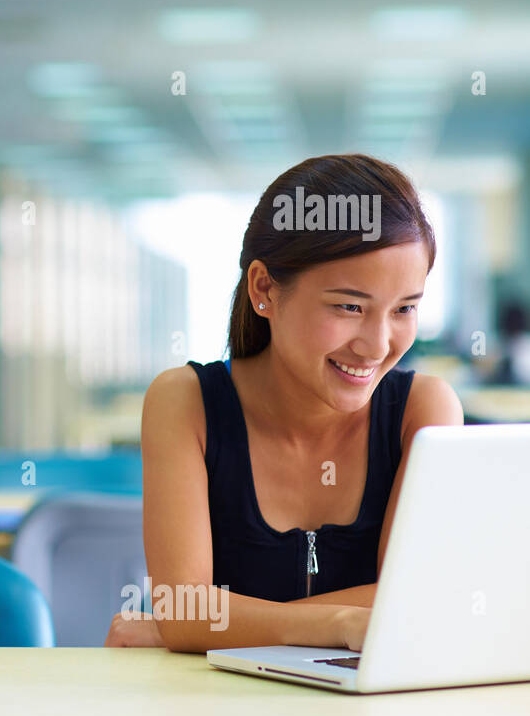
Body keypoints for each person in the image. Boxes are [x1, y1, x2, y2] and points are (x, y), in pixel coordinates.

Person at [106, 153, 463, 651]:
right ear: (264, 289)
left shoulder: (425, 412)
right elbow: (183, 610)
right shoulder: (184, 402)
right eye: (349, 306)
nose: (378, 345)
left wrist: (206, 626)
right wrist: (339, 624)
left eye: (405, 308)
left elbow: (424, 601)